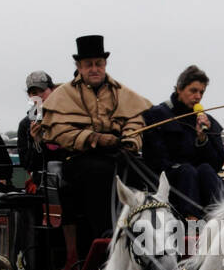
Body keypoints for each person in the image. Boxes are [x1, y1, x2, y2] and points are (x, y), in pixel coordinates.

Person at [41, 35, 152, 256]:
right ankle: (105, 237)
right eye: (88, 64)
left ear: (105, 64)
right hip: (79, 158)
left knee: (149, 172)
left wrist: (130, 139)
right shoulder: (64, 95)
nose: (94, 69)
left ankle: (147, 235)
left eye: (98, 64)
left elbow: (135, 120)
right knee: (99, 172)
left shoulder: (120, 92)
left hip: (118, 154)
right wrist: (95, 138)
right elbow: (60, 131)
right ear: (79, 67)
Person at [141, 64, 224, 218]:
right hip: (171, 180)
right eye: (193, 91)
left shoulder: (206, 121)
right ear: (179, 89)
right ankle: (191, 224)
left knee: (206, 170)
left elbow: (216, 163)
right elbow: (154, 159)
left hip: (200, 178)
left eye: (201, 92)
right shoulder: (157, 115)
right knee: (187, 171)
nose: (198, 96)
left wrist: (203, 140)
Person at [16, 70, 55, 184]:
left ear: (52, 90)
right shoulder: (25, 125)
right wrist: (36, 142)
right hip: (42, 179)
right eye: (33, 93)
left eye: (41, 91)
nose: (38, 96)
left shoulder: (65, 115)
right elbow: (27, 165)